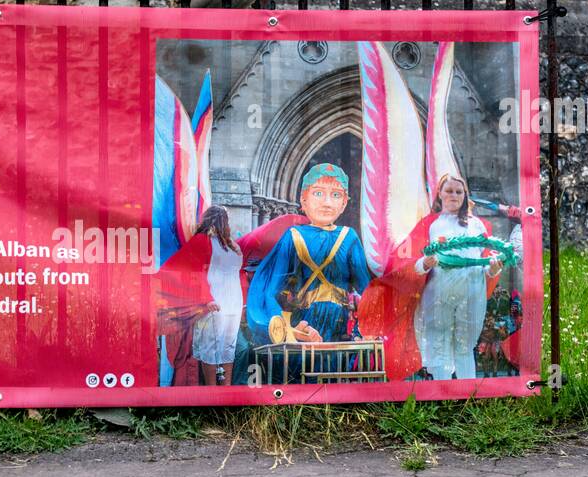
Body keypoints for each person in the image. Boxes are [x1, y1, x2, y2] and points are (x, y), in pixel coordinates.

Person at [357, 174, 503, 382]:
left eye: (458, 191)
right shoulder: (430, 224)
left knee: (465, 344)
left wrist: (495, 267)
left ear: (464, 195)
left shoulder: (477, 225)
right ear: (440, 195)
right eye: (449, 191)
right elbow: (412, 260)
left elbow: (487, 264)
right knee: (438, 344)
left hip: (471, 292)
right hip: (438, 293)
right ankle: (441, 393)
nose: (454, 195)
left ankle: (468, 394)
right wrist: (425, 263)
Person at [245, 163, 370, 348]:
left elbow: (368, 292)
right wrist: (288, 329)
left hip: (339, 329)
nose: (327, 203)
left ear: (343, 203)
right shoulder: (293, 237)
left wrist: (362, 330)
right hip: (304, 324)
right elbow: (270, 292)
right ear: (303, 200)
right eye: (318, 193)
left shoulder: (349, 237)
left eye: (335, 195)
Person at [157, 205, 246, 385]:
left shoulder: (232, 245)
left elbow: (236, 275)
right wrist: (206, 298)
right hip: (219, 301)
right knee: (214, 345)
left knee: (226, 344)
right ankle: (214, 390)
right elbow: (192, 271)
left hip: (229, 302)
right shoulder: (210, 241)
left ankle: (225, 389)